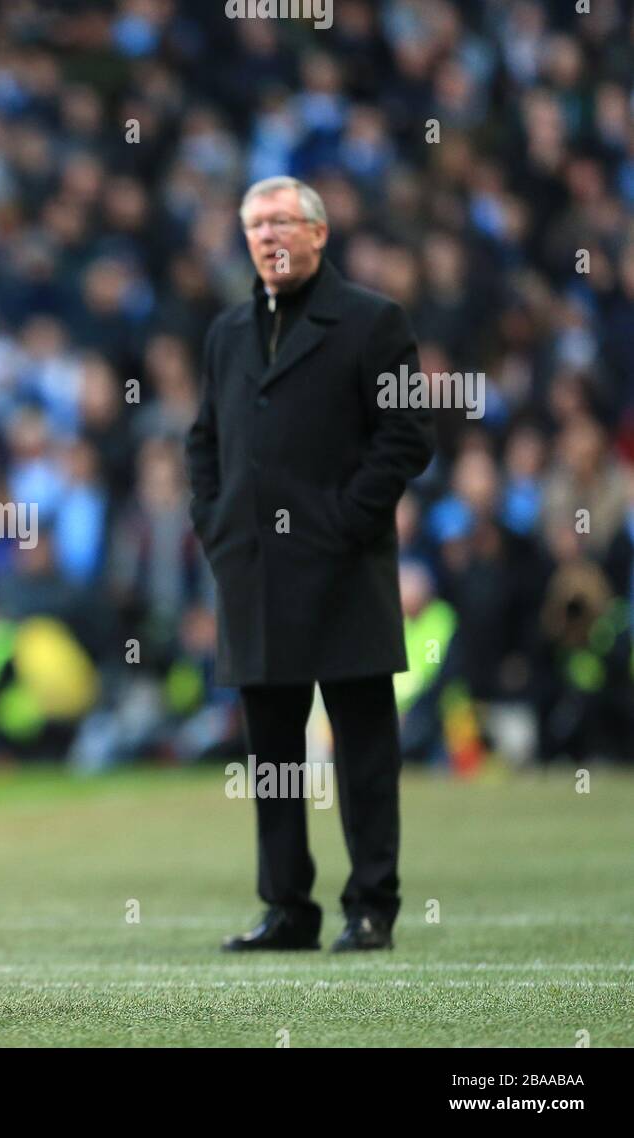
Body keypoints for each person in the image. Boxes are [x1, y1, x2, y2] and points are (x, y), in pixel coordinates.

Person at [185, 176, 435, 952]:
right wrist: (218, 528)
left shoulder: (371, 321)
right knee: (273, 759)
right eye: (254, 224)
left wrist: (341, 522)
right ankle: (288, 908)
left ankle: (371, 907)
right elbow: (204, 443)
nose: (266, 236)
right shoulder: (227, 331)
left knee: (363, 751)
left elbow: (406, 436)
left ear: (319, 234)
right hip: (254, 574)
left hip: (345, 571)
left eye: (282, 222)